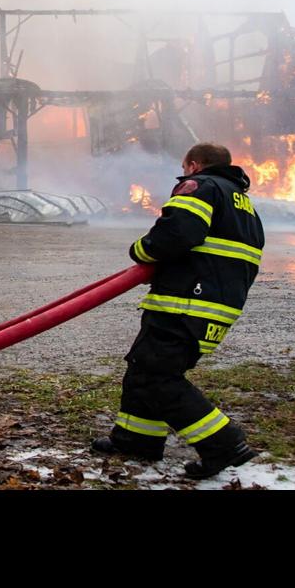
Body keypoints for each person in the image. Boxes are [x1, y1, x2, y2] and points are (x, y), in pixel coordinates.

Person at [91, 142, 264, 479]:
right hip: (213, 304)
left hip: (186, 301)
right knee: (144, 368)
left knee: (159, 376)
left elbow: (177, 233)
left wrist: (141, 251)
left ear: (194, 165)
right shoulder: (245, 206)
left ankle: (224, 443)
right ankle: (136, 439)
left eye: (185, 167)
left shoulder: (201, 187)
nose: (184, 173)